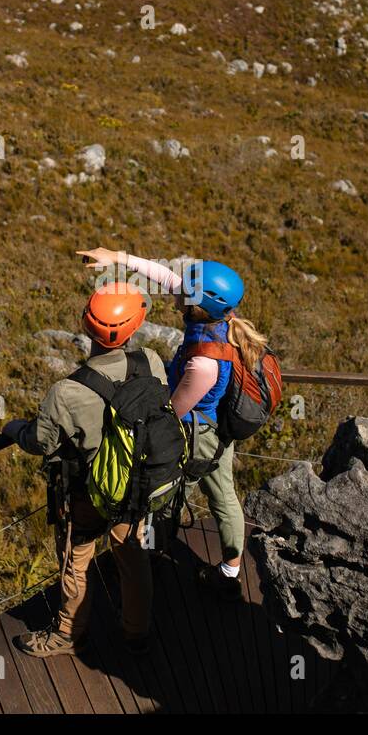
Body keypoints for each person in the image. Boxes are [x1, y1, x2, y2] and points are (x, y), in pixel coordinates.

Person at [76, 247, 268, 602]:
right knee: (222, 493)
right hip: (217, 427)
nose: (176, 289)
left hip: (199, 435)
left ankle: (158, 561)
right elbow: (164, 276)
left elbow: (172, 412)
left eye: (186, 290)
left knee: (168, 491)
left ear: (197, 305)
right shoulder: (216, 320)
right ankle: (229, 569)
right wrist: (116, 257)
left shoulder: (204, 364)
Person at [3, 282, 170, 658]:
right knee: (132, 554)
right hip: (138, 482)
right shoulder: (152, 361)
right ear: (135, 326)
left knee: (76, 559)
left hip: (88, 490)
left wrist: (12, 428)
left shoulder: (67, 391)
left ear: (86, 325)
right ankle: (137, 632)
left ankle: (67, 635)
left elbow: (39, 442)